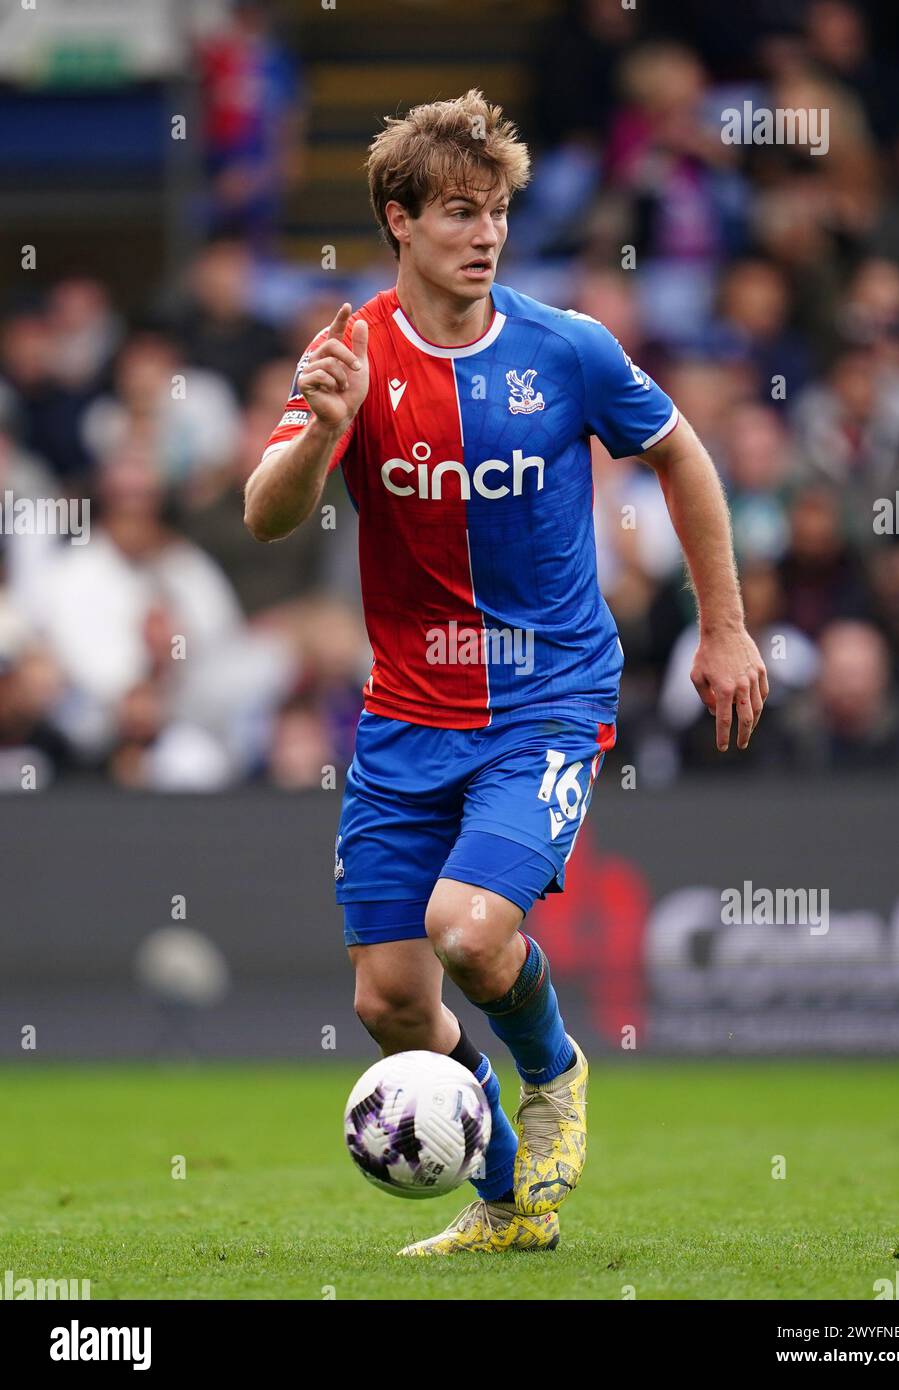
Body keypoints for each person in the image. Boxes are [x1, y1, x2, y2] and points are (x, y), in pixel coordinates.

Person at [244, 91, 768, 1256]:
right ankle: (508, 1204)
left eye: (497, 214)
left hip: (544, 699)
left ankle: (552, 1072)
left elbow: (681, 454)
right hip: (402, 717)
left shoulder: (567, 349)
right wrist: (322, 434)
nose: (485, 235)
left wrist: (724, 627)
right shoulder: (353, 355)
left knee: (469, 933)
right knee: (388, 1000)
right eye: (458, 213)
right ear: (399, 218)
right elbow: (266, 513)